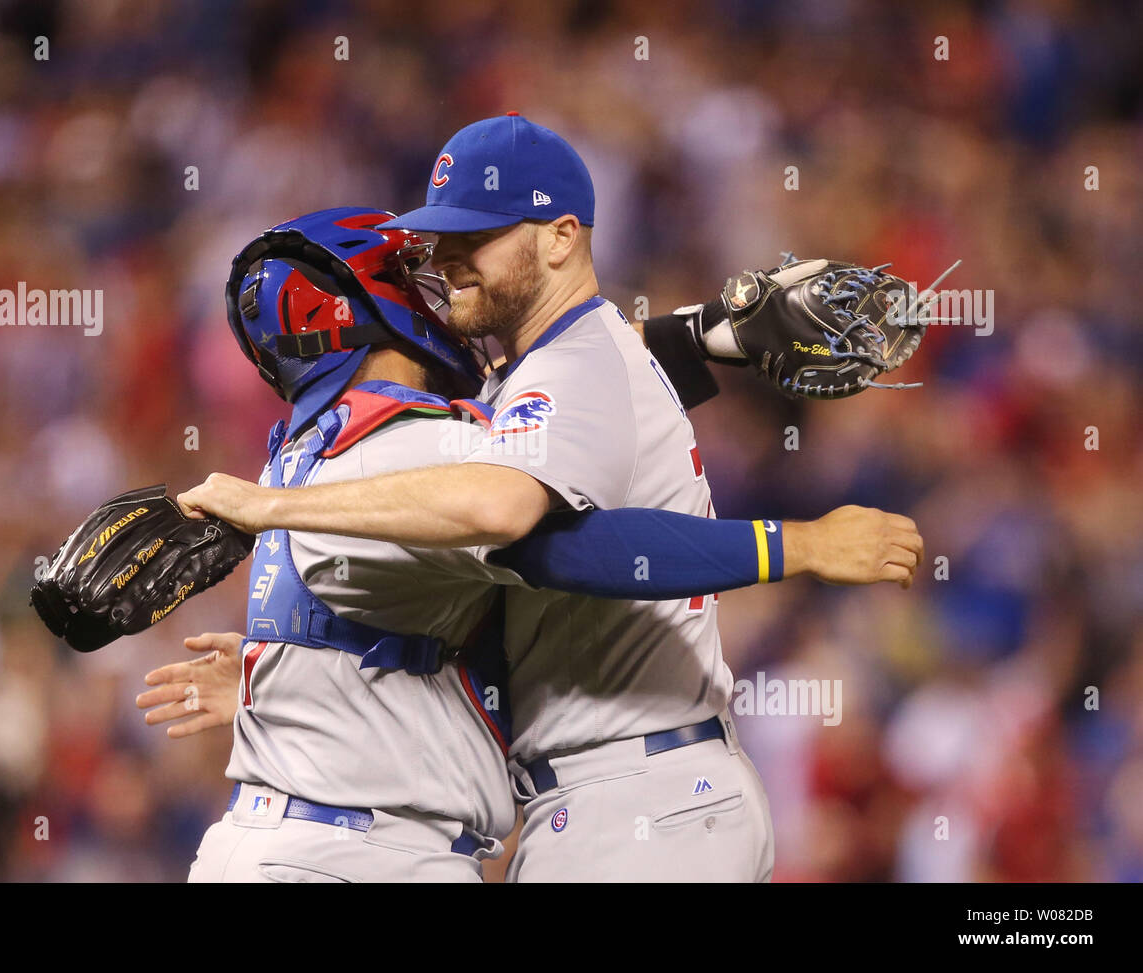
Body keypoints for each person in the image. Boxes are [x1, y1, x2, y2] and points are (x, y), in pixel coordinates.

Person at [177, 116, 923, 882]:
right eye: (440, 239)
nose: (448, 260)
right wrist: (302, 670)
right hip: (631, 797)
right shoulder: (558, 366)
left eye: (477, 238)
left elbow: (534, 535)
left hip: (640, 799)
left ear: (562, 236)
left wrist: (797, 545)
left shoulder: (567, 366)